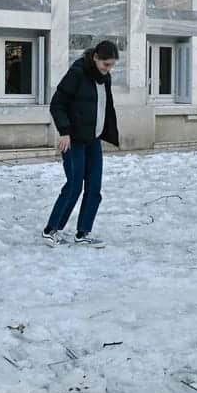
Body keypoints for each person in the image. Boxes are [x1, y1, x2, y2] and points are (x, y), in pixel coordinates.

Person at [43, 40, 120, 247]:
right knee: (75, 185)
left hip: (93, 141)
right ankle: (52, 229)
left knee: (94, 187)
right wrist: (64, 132)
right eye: (106, 64)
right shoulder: (77, 73)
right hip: (73, 140)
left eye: (112, 65)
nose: (108, 69)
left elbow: (105, 106)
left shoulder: (106, 79)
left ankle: (83, 232)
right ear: (95, 58)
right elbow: (57, 104)